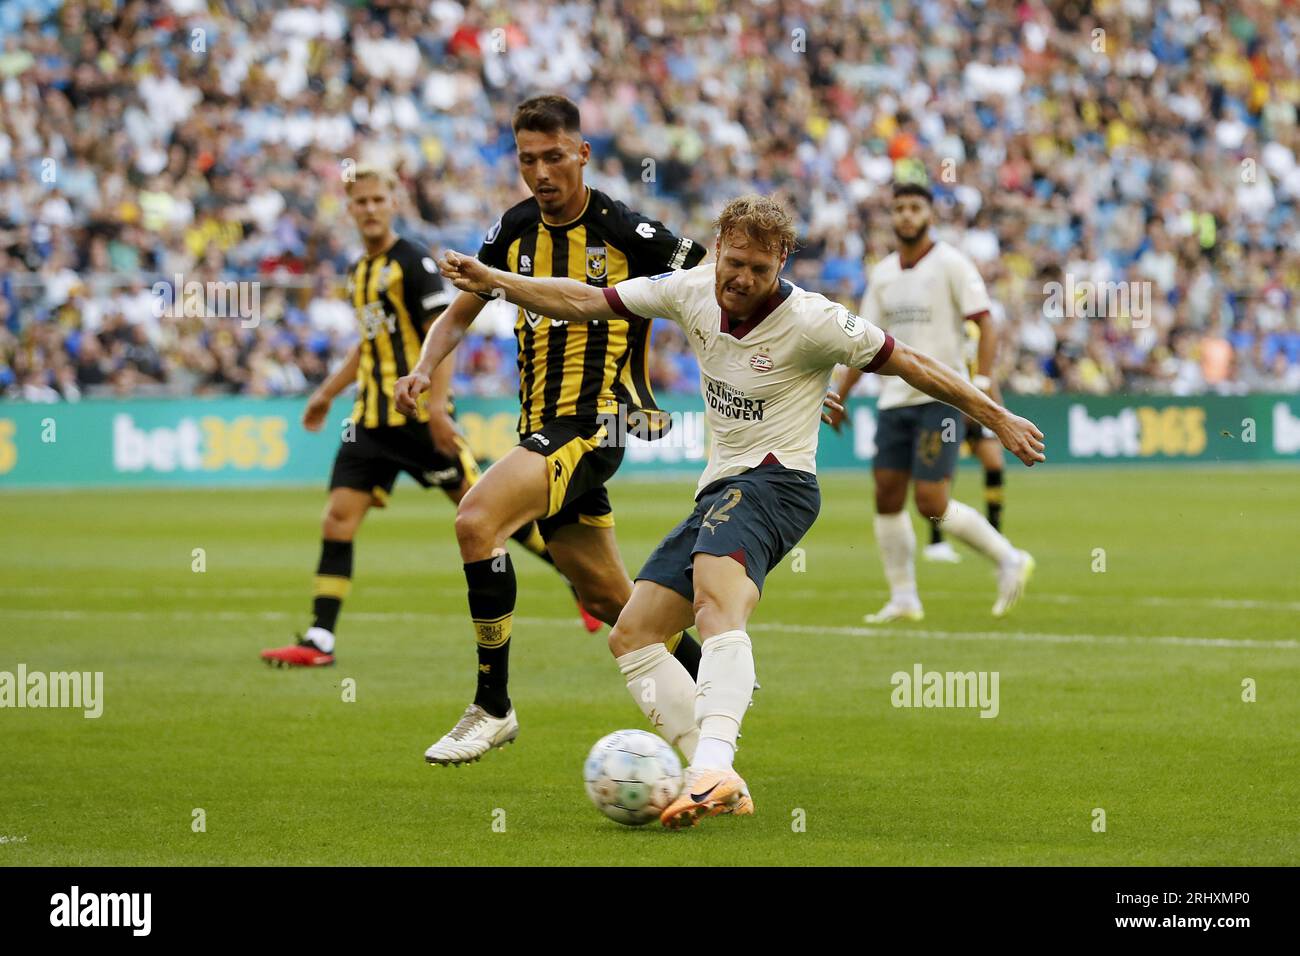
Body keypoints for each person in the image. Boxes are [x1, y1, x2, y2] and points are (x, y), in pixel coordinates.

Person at [435, 193, 1045, 828]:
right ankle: (713, 770)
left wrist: (996, 416)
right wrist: (497, 282)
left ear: (782, 260)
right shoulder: (691, 288)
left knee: (714, 596)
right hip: (722, 486)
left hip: (779, 483)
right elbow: (586, 300)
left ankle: (709, 768)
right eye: (735, 262)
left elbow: (912, 364)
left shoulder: (815, 319)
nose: (743, 279)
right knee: (634, 631)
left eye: (760, 267)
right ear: (718, 246)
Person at [393, 95, 707, 766]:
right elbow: (460, 311)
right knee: (610, 598)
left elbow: (716, 285)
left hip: (598, 422)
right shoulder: (511, 228)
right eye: (528, 159)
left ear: (583, 154)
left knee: (476, 520)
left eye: (554, 157)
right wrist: (423, 369)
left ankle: (492, 706)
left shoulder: (626, 230)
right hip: (541, 426)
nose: (541, 172)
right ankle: (715, 680)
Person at [259, 164, 576, 668]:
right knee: (337, 520)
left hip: (417, 419)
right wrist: (324, 395)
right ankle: (320, 639)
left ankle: (578, 577)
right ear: (350, 209)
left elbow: (442, 335)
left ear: (392, 203)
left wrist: (437, 411)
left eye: (377, 200)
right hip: (370, 422)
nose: (369, 209)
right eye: (360, 202)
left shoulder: (412, 262)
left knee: (488, 515)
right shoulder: (358, 272)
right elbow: (369, 346)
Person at [829, 182, 1034, 622]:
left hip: (941, 397)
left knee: (930, 501)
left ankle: (1008, 557)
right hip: (893, 400)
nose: (905, 215)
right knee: (886, 496)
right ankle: (904, 596)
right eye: (899, 208)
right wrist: (840, 396)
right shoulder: (882, 273)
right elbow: (862, 340)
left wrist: (979, 381)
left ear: (929, 215)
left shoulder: (951, 264)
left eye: (914, 208)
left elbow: (985, 322)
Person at [924, 316, 1007, 563]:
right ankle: (936, 541)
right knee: (943, 474)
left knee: (994, 463)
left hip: (979, 406)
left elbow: (987, 369)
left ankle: (994, 533)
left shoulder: (976, 329)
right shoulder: (941, 326)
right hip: (949, 407)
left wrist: (1000, 412)